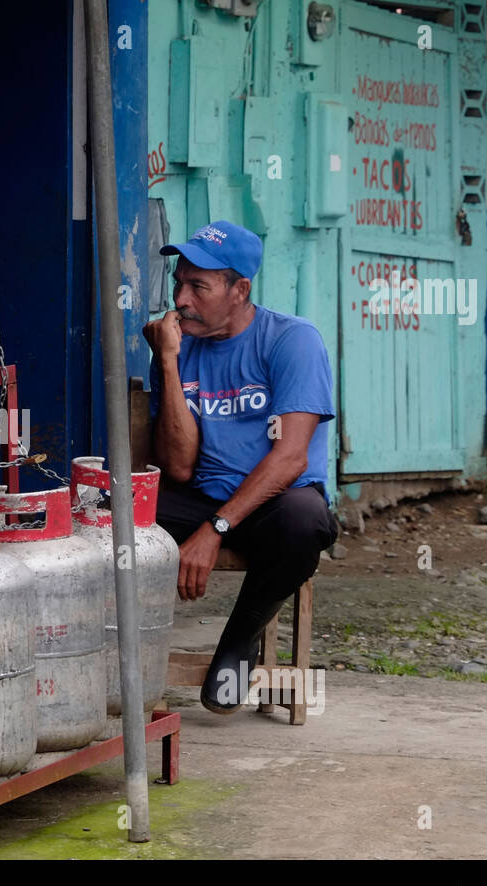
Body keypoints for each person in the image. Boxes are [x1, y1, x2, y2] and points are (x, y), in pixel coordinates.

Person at [144, 220, 340, 714]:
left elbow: (292, 457)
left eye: (198, 286)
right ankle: (115, 661)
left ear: (240, 290)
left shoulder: (292, 341)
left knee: (306, 522)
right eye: (178, 283)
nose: (182, 298)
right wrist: (168, 364)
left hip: (272, 504)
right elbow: (179, 467)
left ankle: (238, 643)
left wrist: (215, 529)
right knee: (109, 514)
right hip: (201, 496)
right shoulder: (176, 346)